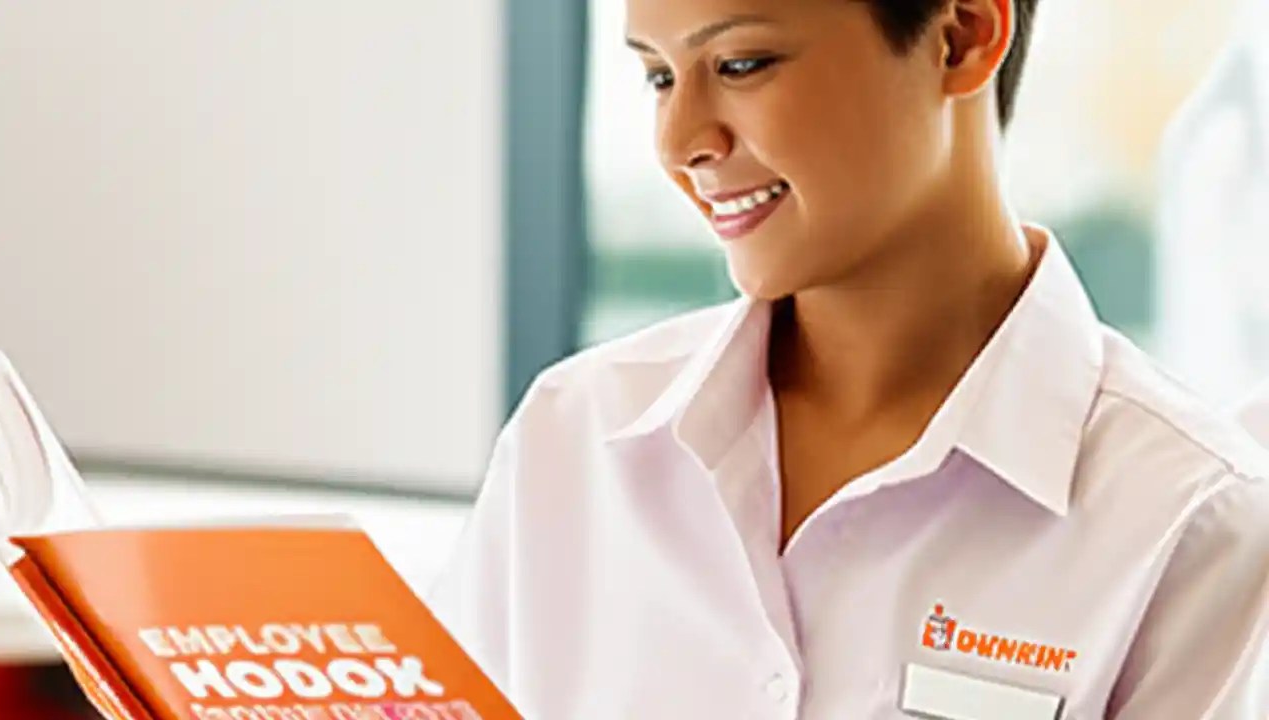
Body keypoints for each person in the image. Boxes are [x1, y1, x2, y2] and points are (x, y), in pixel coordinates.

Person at [428, 0, 1269, 717]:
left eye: (741, 65)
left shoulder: (1189, 519)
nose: (680, 141)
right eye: (658, 76)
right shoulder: (572, 440)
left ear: (963, 36)